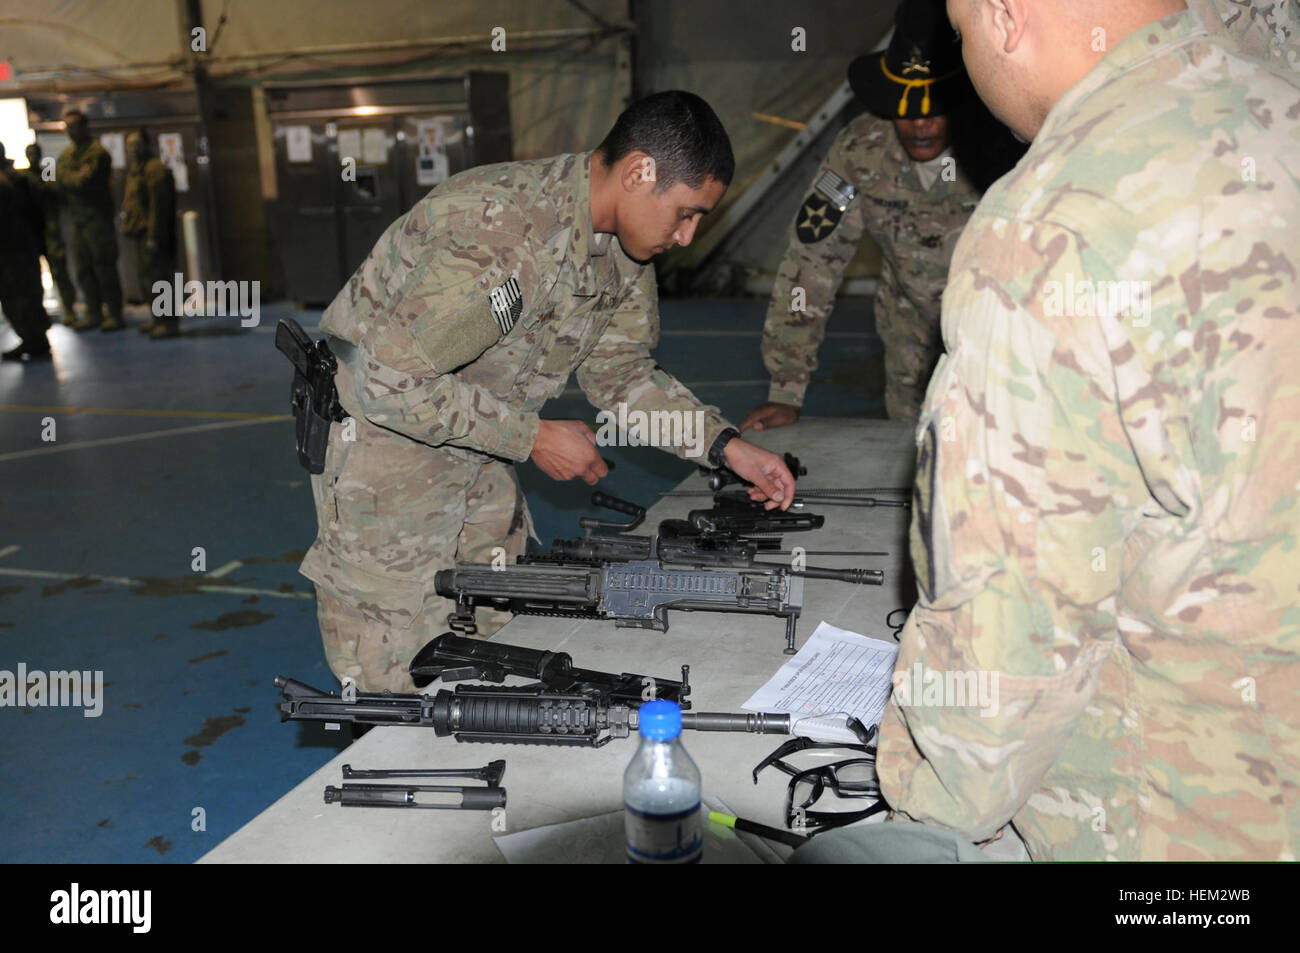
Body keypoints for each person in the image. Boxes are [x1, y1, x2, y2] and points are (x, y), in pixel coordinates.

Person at [876, 0, 1300, 861]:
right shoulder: (1278, 112)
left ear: (1002, 16)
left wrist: (925, 787)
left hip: (1194, 834)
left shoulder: (1051, 222)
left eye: (959, 36)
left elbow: (1004, 632)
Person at [300, 91, 798, 694]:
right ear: (640, 172)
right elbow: (386, 380)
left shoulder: (621, 247)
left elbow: (621, 375)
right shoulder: (503, 233)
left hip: (477, 442)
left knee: (493, 630)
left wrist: (725, 447)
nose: (688, 236)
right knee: (395, 674)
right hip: (388, 452)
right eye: (686, 213)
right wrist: (532, 437)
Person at [740, 0, 1021, 431]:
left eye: (933, 108)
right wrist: (786, 388)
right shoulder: (859, 152)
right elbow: (811, 263)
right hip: (908, 333)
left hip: (994, 331)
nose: (921, 124)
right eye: (908, 110)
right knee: (911, 453)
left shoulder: (1000, 147)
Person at [56, 109, 124, 333]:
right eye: (67, 127)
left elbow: (82, 181)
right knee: (83, 268)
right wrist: (69, 178)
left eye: (74, 126)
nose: (70, 131)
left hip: (97, 219)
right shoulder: (67, 155)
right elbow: (62, 178)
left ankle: (114, 313)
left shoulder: (98, 153)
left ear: (85, 127)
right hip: (78, 221)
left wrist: (68, 178)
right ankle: (93, 312)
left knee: (104, 267)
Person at [120, 129, 178, 338]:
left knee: (159, 278)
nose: (132, 150)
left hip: (153, 235)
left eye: (136, 144)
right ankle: (157, 318)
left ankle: (169, 322)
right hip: (140, 233)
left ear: (146, 145)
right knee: (147, 280)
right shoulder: (136, 170)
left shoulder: (155, 170)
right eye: (129, 146)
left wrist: (154, 237)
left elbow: (158, 208)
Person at [0, 142, 51, 361]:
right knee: (29, 293)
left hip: (11, 249)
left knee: (17, 296)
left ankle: (33, 340)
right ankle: (35, 339)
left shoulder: (6, 181)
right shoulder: (18, 177)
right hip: (24, 245)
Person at [24, 143, 79, 324]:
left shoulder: (48, 173)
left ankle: (69, 309)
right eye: (30, 154)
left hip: (50, 230)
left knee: (59, 271)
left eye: (36, 153)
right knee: (32, 276)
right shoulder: (22, 178)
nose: (33, 157)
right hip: (31, 232)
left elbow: (57, 195)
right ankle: (37, 314)